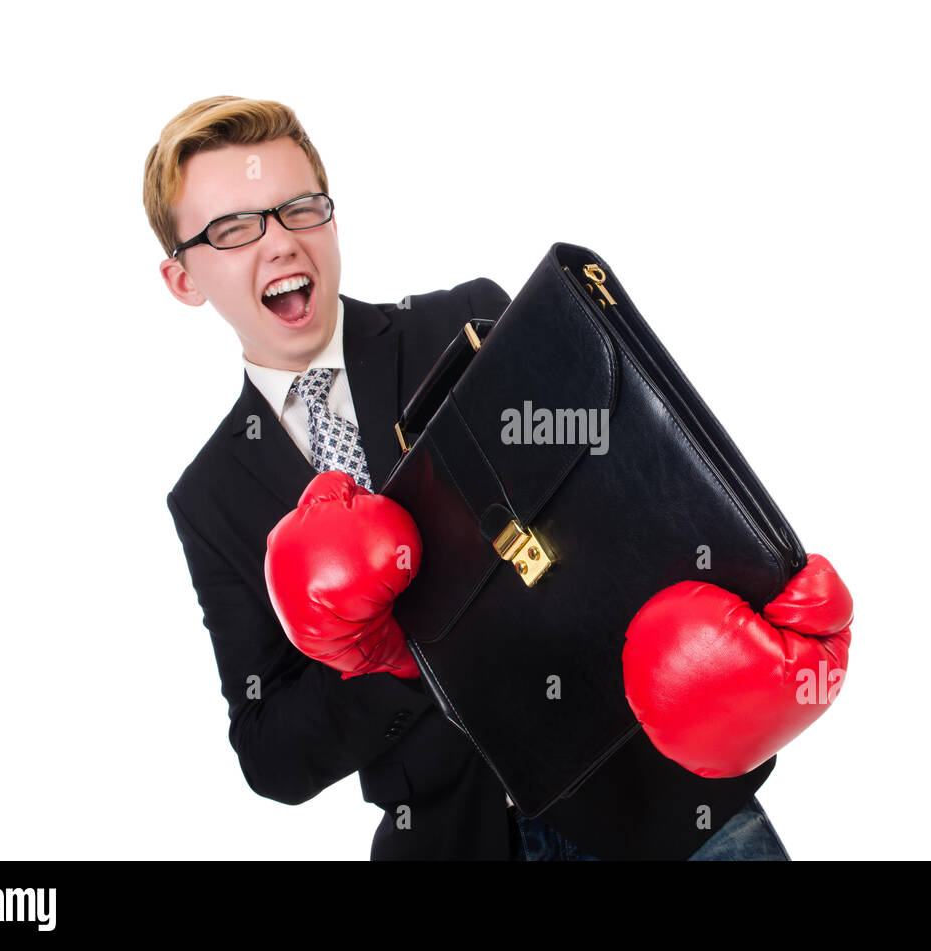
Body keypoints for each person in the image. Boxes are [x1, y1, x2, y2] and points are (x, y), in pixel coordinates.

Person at [146, 95, 808, 860]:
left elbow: (628, 507)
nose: (281, 244)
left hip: (656, 803)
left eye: (300, 208)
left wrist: (749, 591)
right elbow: (270, 754)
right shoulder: (209, 496)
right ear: (182, 278)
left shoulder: (466, 321)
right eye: (232, 228)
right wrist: (384, 658)